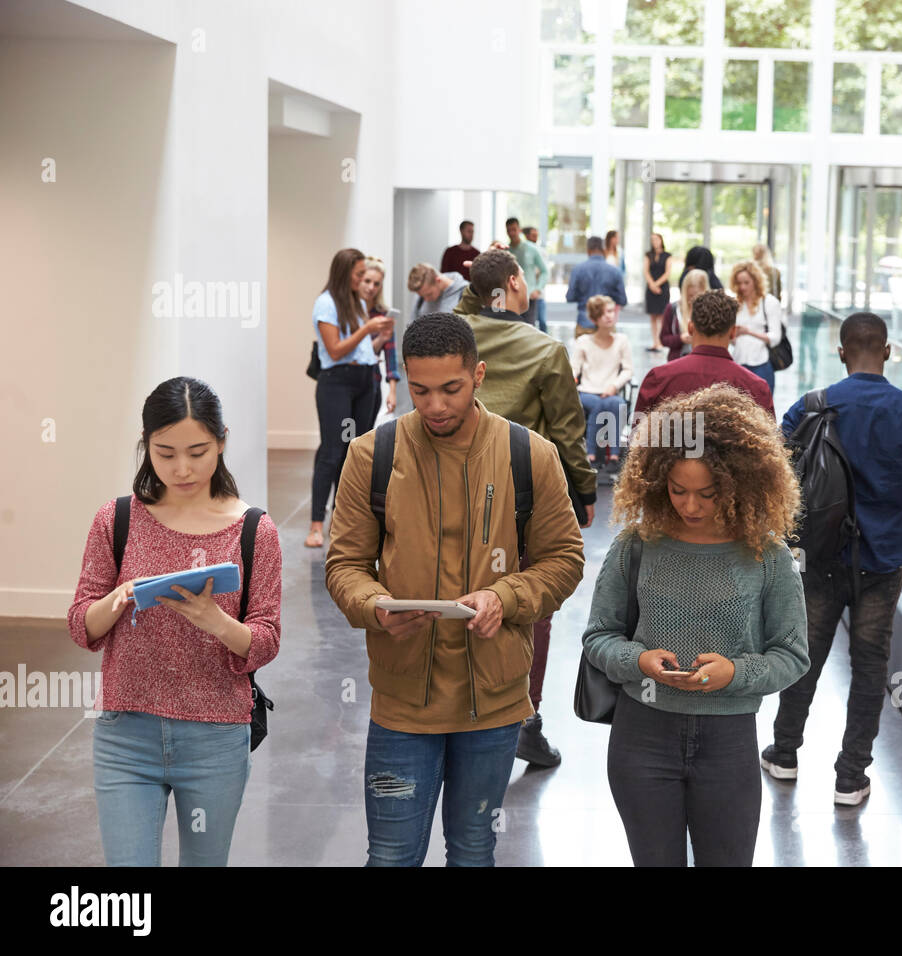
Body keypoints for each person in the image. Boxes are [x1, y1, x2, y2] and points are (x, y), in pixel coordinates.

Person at [325, 313, 584, 866]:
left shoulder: (530, 455)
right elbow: (345, 565)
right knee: (391, 855)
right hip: (401, 702)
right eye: (419, 390)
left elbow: (564, 560)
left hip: (492, 704)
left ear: (479, 375)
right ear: (404, 379)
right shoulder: (372, 456)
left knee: (473, 850)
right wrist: (374, 606)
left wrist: (506, 597)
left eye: (451, 389)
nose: (436, 405)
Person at [582, 383, 810, 867]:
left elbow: (791, 654)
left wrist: (736, 674)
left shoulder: (766, 556)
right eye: (678, 490)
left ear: (739, 484)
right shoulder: (635, 545)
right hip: (641, 734)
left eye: (707, 493)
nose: (690, 506)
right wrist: (638, 660)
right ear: (656, 479)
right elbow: (598, 636)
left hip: (729, 742)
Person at [67, 377, 282, 866]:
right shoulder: (115, 520)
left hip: (216, 739)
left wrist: (215, 620)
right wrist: (118, 601)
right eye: (165, 453)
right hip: (126, 735)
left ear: (222, 441)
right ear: (147, 447)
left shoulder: (255, 530)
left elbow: (265, 640)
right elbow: (82, 625)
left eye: (198, 451)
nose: (182, 469)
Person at [761, 312, 902, 807]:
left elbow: (778, 484)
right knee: (869, 667)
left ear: (841, 352)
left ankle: (784, 753)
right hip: (883, 561)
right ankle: (850, 776)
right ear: (888, 351)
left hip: (817, 556)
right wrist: (881, 503)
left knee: (805, 655)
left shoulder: (810, 407)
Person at [466, 248, 599, 766]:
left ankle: (468, 711)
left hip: (454, 491)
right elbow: (567, 434)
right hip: (521, 497)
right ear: (516, 283)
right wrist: (584, 493)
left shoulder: (454, 340)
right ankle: (525, 717)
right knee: (528, 605)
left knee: (460, 593)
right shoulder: (544, 349)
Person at [308, 248, 391, 549]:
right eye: (358, 275)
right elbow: (335, 350)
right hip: (338, 383)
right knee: (332, 452)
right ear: (345, 274)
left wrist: (379, 336)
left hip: (364, 381)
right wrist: (368, 327)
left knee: (353, 452)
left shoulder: (355, 303)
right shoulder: (326, 303)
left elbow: (362, 349)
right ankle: (316, 524)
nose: (362, 280)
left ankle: (340, 520)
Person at [635, 289, 774, 416]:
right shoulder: (756, 388)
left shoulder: (659, 379)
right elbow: (770, 441)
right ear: (732, 333)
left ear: (690, 328)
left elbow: (638, 437)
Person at [572, 294, 634, 465]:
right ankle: (603, 453)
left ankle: (598, 454)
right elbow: (573, 369)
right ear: (594, 318)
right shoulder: (583, 342)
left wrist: (614, 386)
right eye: (604, 313)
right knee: (602, 404)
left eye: (611, 311)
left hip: (610, 391)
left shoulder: (622, 341)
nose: (609, 316)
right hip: (587, 392)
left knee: (617, 403)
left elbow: (628, 370)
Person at [729, 260, 785, 396]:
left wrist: (748, 332)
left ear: (756, 280)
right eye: (739, 283)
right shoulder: (735, 304)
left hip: (761, 364)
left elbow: (775, 338)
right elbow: (731, 339)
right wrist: (733, 335)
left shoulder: (769, 302)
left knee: (763, 412)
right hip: (738, 363)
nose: (742, 287)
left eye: (746, 282)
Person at [361, 257, 400, 421]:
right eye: (367, 281)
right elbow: (353, 350)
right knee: (344, 436)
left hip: (372, 382)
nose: (371, 288)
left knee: (363, 438)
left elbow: (390, 355)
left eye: (376, 284)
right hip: (348, 382)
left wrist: (392, 391)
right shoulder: (348, 313)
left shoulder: (382, 314)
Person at [566, 236, 627, 337]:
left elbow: (570, 297)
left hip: (584, 323)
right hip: (607, 327)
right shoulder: (615, 271)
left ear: (588, 250)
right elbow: (622, 300)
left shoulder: (577, 270)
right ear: (604, 250)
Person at [506, 216, 549, 332]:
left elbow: (545, 271)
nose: (512, 233)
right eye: (509, 230)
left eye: (514, 229)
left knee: (529, 330)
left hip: (529, 297)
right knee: (512, 331)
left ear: (519, 230)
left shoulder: (532, 249)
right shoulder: (506, 250)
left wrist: (538, 289)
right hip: (511, 299)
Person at [660, 267, 709, 361]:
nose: (693, 300)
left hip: (702, 361)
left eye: (698, 296)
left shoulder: (711, 311)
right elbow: (663, 338)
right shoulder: (673, 309)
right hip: (677, 360)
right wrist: (680, 339)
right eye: (690, 296)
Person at [643, 233, 671, 353]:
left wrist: (657, 284)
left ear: (661, 240)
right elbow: (646, 271)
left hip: (662, 288)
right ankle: (655, 342)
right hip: (651, 288)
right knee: (653, 316)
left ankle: (660, 342)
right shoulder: (648, 255)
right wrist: (652, 285)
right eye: (652, 239)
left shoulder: (667, 256)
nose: (655, 242)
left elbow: (667, 273)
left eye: (656, 239)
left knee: (661, 315)